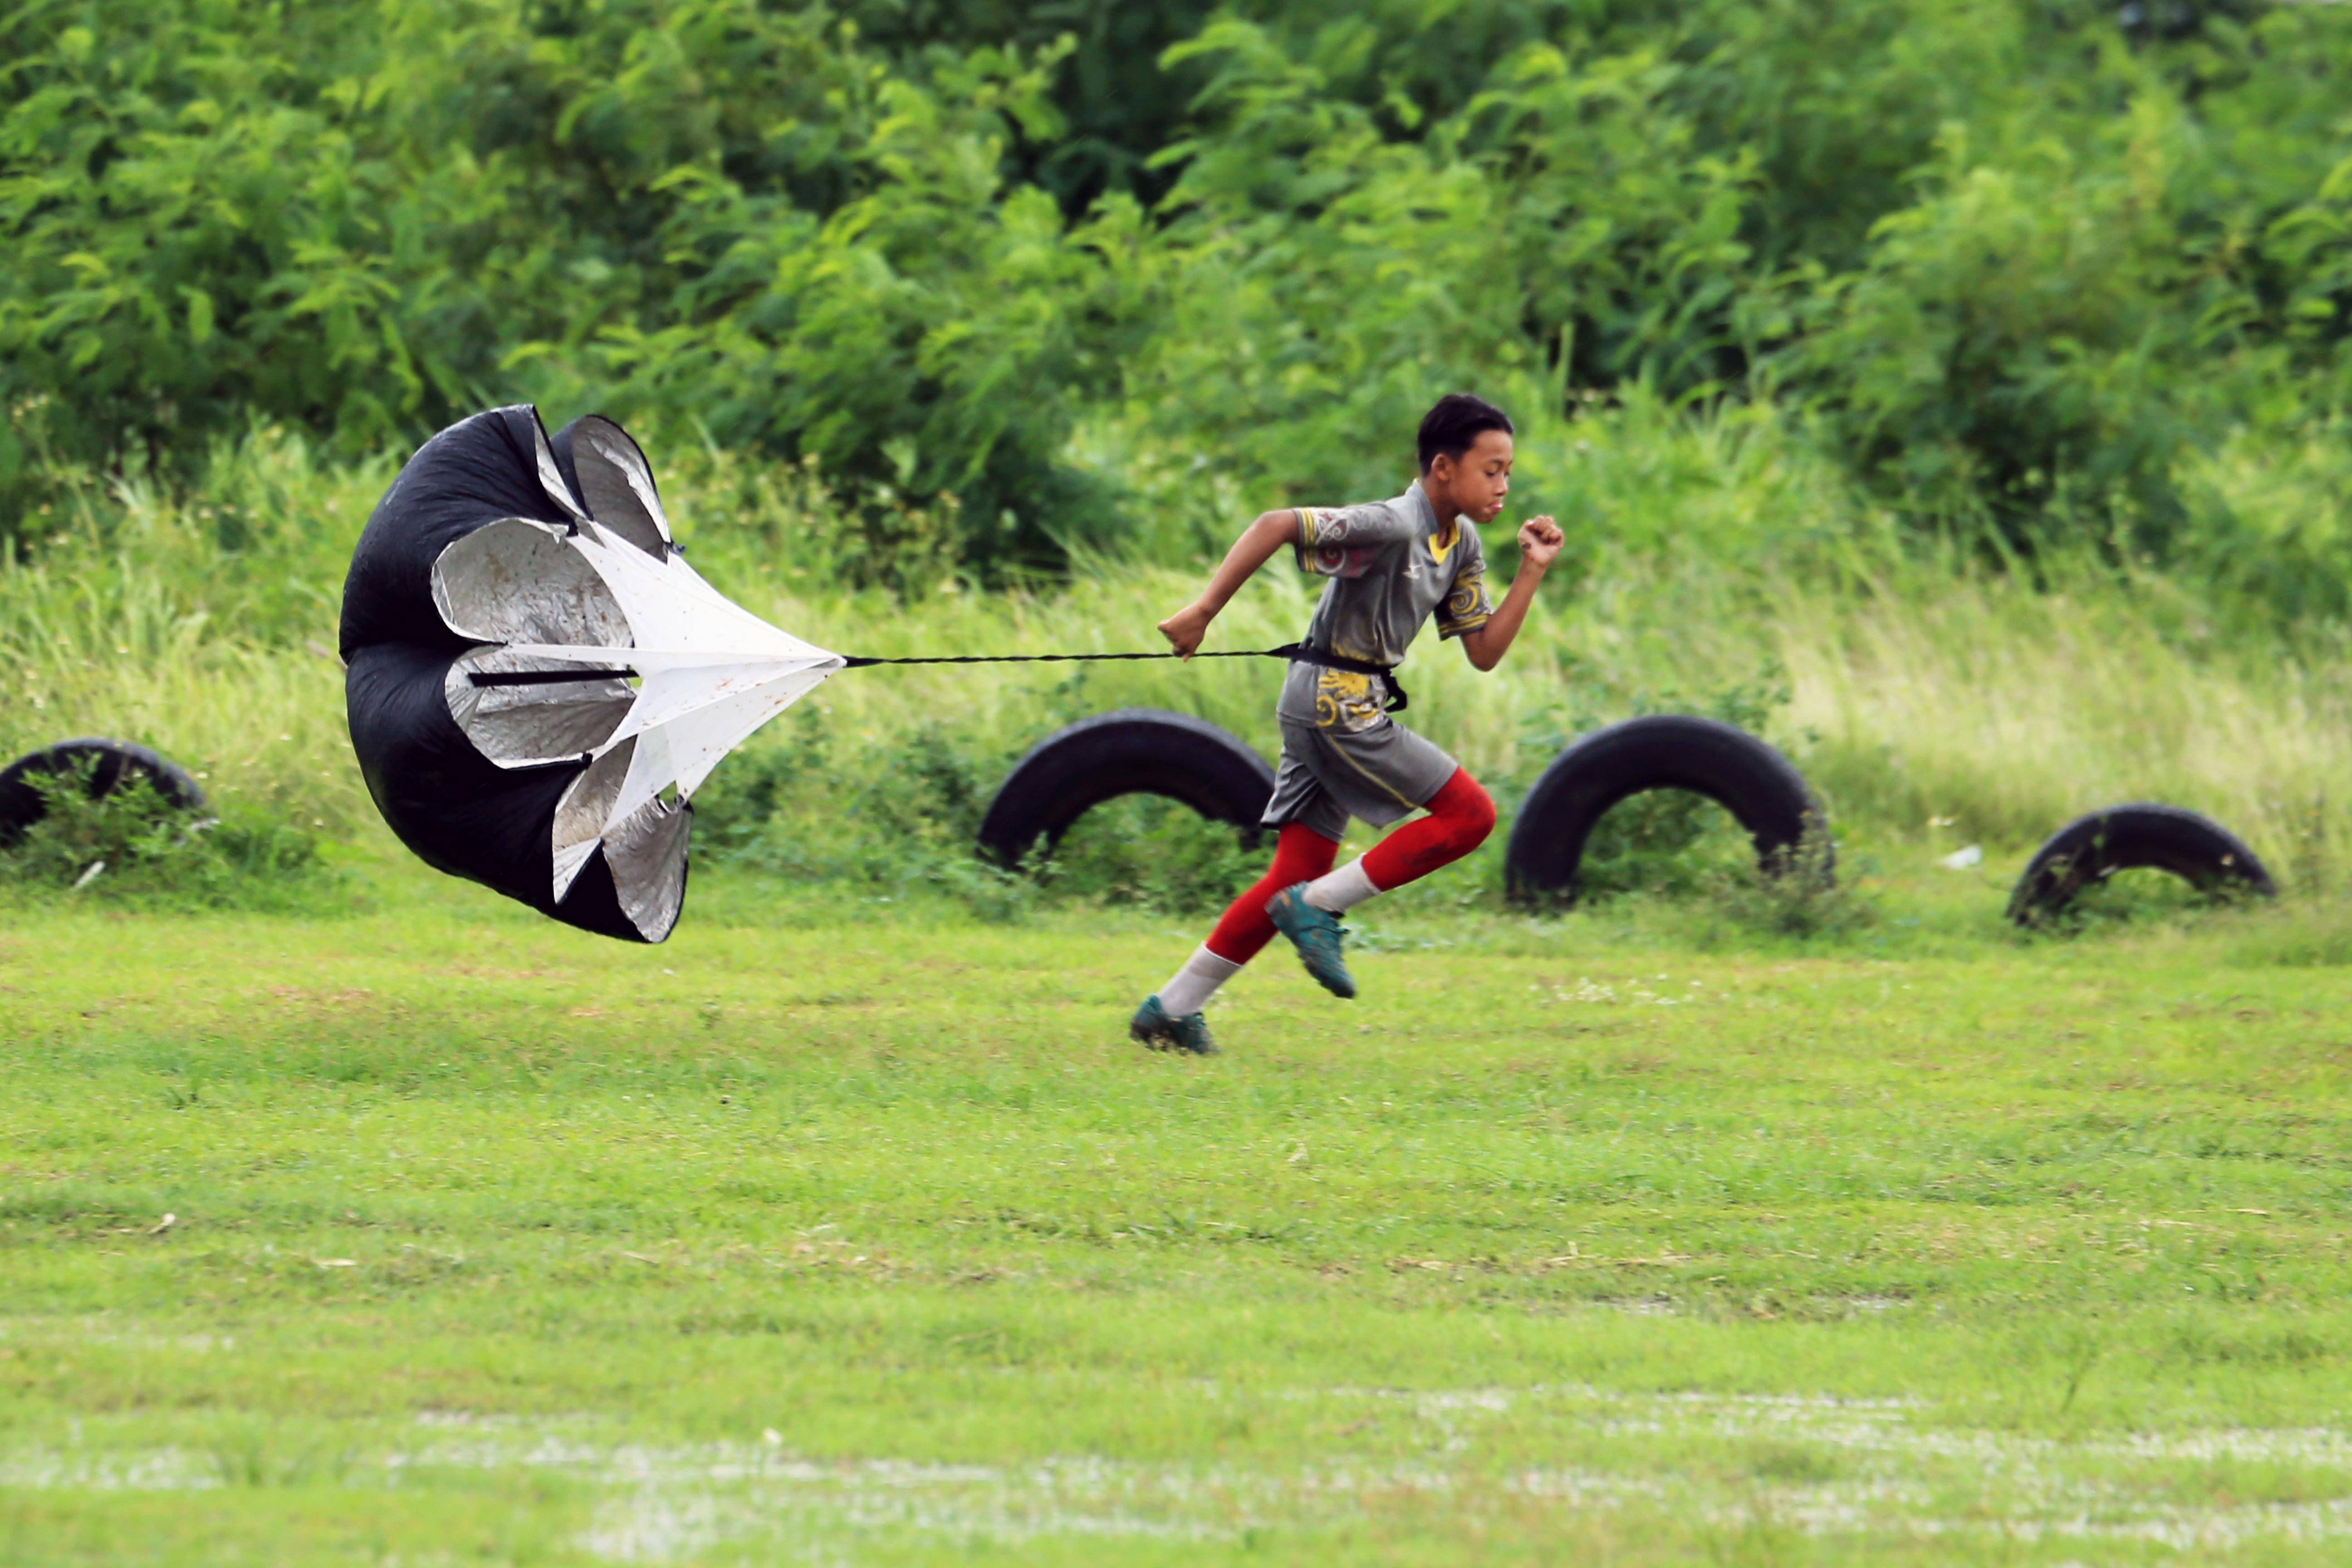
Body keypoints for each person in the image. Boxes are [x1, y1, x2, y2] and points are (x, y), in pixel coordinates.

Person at [1130, 393, 1565, 1054]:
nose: (1504, 486)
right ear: (1444, 468)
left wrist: (1530, 572)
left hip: (1331, 702)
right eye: (1491, 469)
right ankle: (1320, 906)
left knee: (1291, 874)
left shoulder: (1464, 542)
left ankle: (1170, 1009)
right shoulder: (1390, 523)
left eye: (1509, 471)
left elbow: (1483, 652)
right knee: (1470, 816)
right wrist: (1203, 611)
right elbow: (1277, 523)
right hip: (1337, 704)